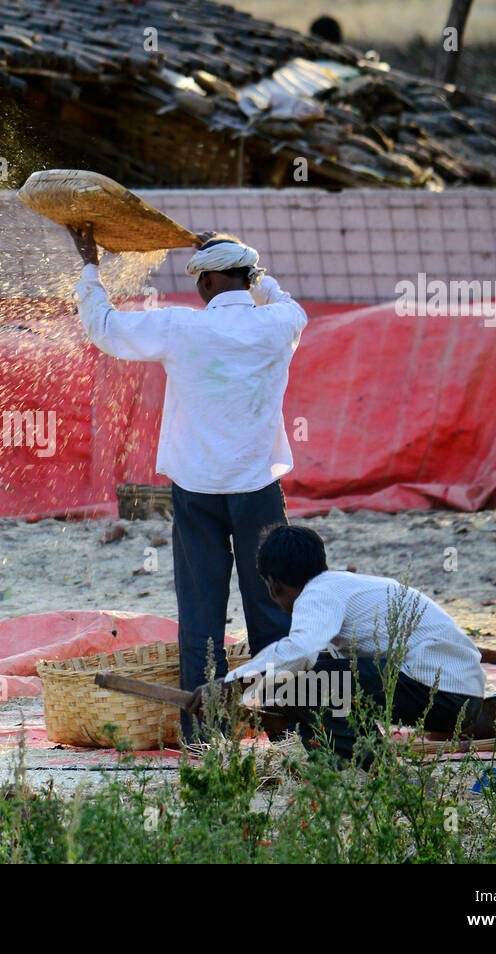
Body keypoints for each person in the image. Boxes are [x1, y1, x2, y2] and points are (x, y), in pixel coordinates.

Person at [69, 224, 308, 741]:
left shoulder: (180, 327)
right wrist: (255, 274)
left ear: (204, 287)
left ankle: (207, 742)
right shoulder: (280, 324)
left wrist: (90, 265)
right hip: (258, 489)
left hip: (197, 491)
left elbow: (105, 328)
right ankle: (287, 734)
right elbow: (284, 300)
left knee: (201, 616)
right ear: (248, 279)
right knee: (273, 607)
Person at [187, 524, 485, 763]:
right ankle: (372, 766)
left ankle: (370, 773)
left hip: (444, 694)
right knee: (310, 681)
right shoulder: (340, 586)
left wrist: (231, 683)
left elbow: (299, 653)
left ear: (273, 583)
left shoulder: (317, 594)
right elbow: (323, 664)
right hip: (458, 694)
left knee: (300, 685)